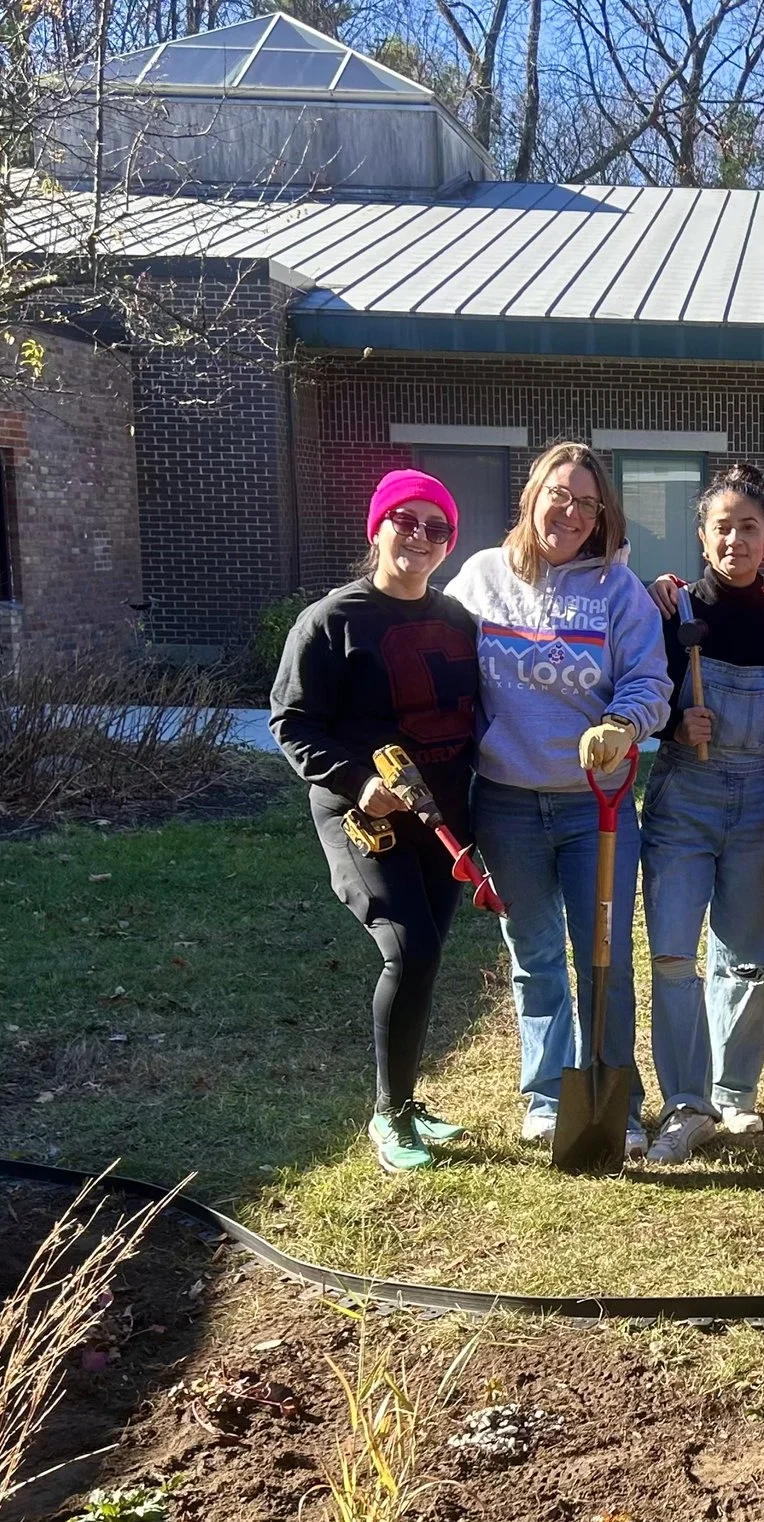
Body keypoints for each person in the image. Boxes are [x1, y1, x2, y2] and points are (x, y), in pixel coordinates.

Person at [449, 441, 671, 1156]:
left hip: (594, 808)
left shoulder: (617, 589)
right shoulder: (481, 579)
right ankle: (547, 1096)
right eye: (559, 494)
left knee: (603, 956)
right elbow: (438, 662)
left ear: (601, 514)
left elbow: (650, 682)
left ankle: (620, 1102)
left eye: (586, 502)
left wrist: (621, 721)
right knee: (534, 953)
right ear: (532, 496)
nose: (570, 512)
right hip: (508, 804)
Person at [270, 469, 484, 1174]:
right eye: (406, 520)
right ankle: (388, 1115)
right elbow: (292, 721)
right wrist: (360, 784)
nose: (420, 537)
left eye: (436, 528)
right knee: (409, 948)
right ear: (378, 526)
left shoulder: (456, 620)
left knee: (425, 959)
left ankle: (407, 1098)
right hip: (368, 821)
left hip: (442, 818)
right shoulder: (333, 621)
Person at [640, 464, 764, 1164]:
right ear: (702, 538)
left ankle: (734, 1095)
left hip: (760, 803)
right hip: (685, 798)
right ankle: (685, 1101)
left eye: (749, 527)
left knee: (745, 960)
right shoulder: (669, 613)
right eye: (723, 528)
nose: (735, 539)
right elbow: (634, 695)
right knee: (675, 955)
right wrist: (673, 726)